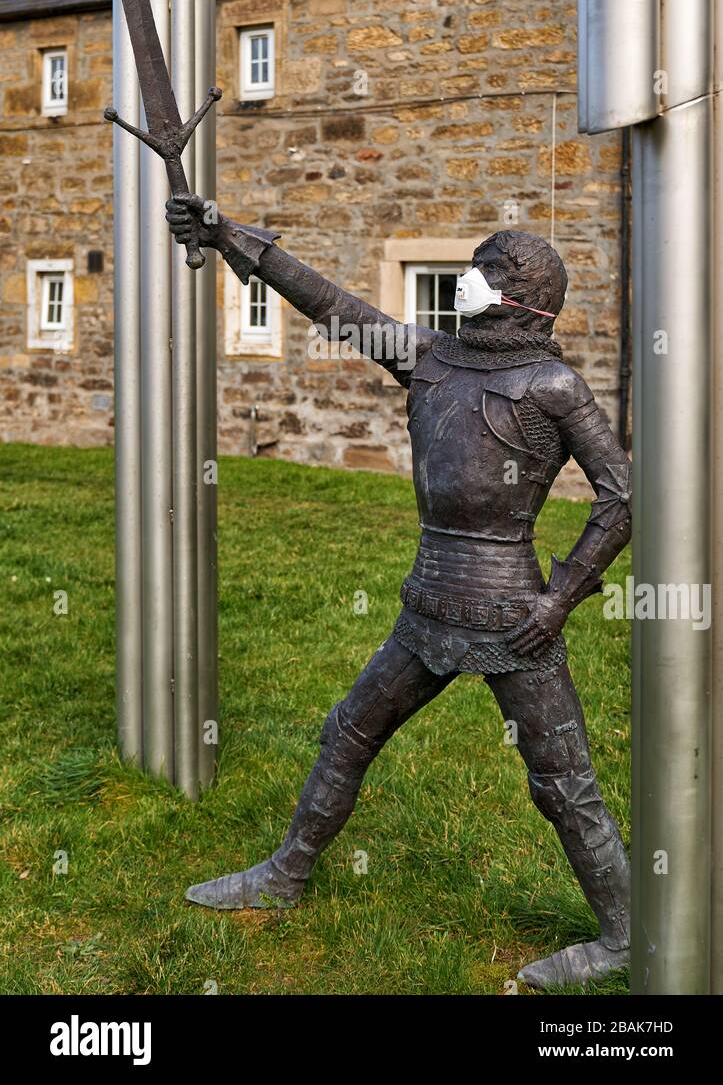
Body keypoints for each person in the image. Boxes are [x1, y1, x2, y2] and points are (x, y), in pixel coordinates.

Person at [166, 194, 632, 989]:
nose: (468, 281)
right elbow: (331, 305)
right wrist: (228, 233)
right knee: (349, 731)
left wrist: (560, 598)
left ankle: (627, 936)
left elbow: (621, 494)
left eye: (485, 272)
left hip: (511, 611)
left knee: (561, 782)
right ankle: (284, 874)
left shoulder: (550, 386)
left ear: (519, 296)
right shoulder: (427, 356)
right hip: (430, 601)